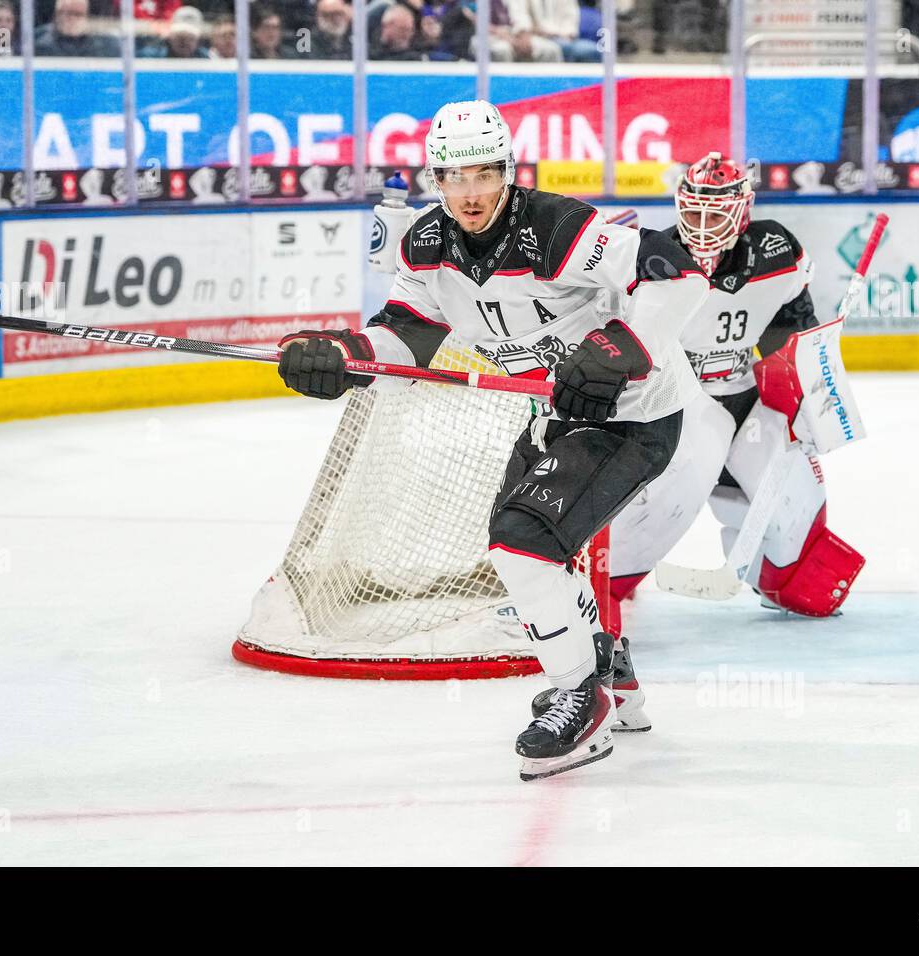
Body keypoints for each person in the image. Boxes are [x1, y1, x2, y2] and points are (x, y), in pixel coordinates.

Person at [277, 100, 710, 780]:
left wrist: (620, 345)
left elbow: (675, 269)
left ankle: (579, 700)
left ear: (508, 171)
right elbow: (407, 339)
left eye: (484, 173)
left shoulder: (556, 227)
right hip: (552, 414)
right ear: (435, 180)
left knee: (522, 543)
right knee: (525, 547)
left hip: (634, 413)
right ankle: (605, 672)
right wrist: (344, 356)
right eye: (454, 176)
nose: (471, 192)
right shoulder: (425, 245)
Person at [540, 153, 866, 733]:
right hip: (679, 405)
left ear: (744, 210)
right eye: (693, 208)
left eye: (717, 211)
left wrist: (805, 375)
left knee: (800, 542)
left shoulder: (776, 251)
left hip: (744, 398)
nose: (702, 223)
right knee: (665, 499)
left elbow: (792, 322)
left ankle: (770, 571)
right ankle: (606, 583)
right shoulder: (653, 256)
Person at [33, 0, 121, 56]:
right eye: (63, 13)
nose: (70, 19)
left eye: (76, 14)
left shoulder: (107, 46)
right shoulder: (37, 41)